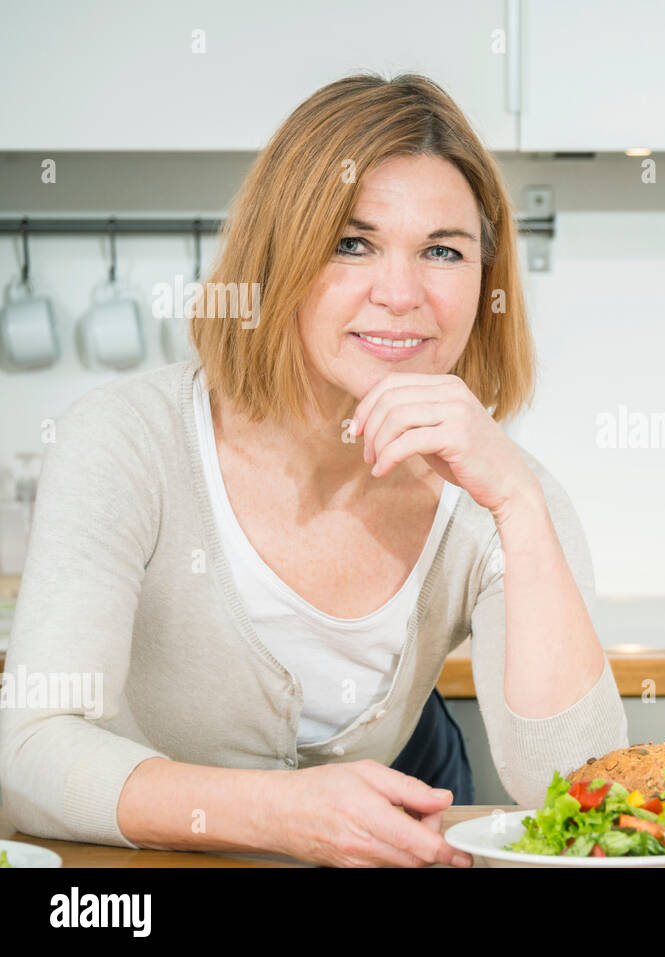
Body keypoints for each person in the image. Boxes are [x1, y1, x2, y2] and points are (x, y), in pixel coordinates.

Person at [0, 73, 628, 867]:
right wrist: (275, 813)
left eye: (442, 251)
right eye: (351, 243)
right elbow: (29, 753)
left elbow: (577, 800)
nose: (400, 295)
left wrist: (518, 506)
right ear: (278, 257)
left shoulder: (501, 493)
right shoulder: (127, 441)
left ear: (485, 281)